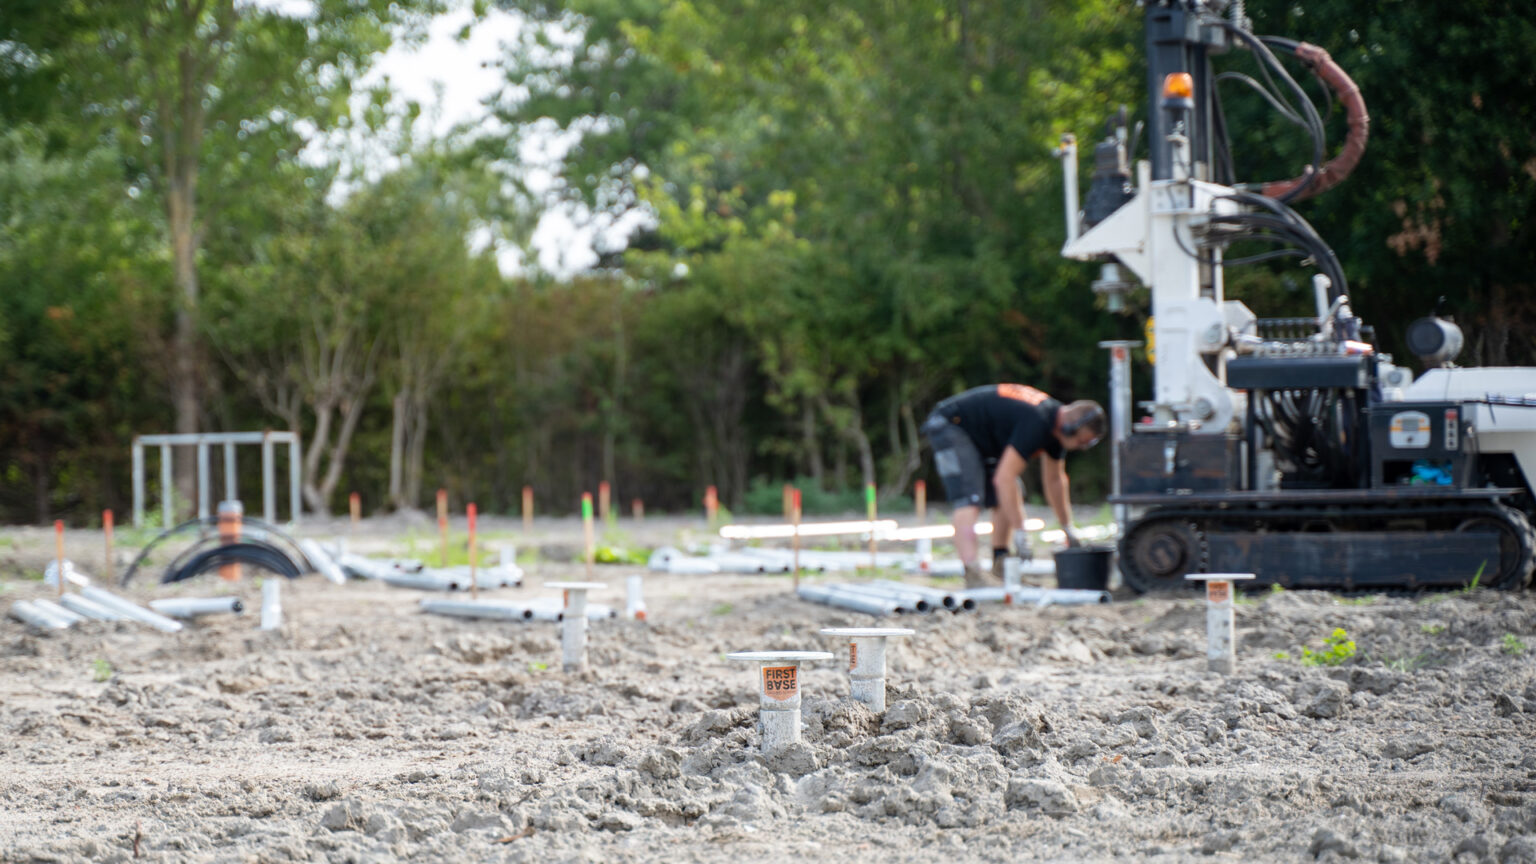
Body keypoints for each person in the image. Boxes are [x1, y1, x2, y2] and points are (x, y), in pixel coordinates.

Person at [921, 384, 1106, 588]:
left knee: (1009, 491)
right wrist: (1020, 530)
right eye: (1082, 442)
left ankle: (1000, 565)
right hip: (951, 425)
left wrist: (1067, 527)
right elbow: (1004, 478)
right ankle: (972, 573)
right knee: (970, 497)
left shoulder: (1054, 431)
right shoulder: (1038, 420)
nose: (1081, 448)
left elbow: (1055, 480)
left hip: (979, 436)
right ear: (1070, 427)